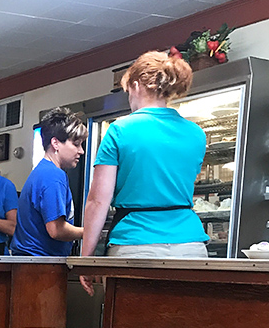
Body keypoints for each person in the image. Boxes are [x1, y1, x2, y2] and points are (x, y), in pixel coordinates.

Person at [81, 50, 208, 294]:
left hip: (135, 245)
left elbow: (98, 200)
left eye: (128, 91)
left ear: (137, 85)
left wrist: (88, 258)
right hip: (191, 246)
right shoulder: (196, 134)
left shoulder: (120, 130)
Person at [10, 107, 87, 257]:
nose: (81, 151)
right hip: (40, 265)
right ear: (55, 143)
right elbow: (56, 230)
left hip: (30, 263)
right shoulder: (53, 175)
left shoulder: (42, 171)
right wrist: (91, 233)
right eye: (76, 144)